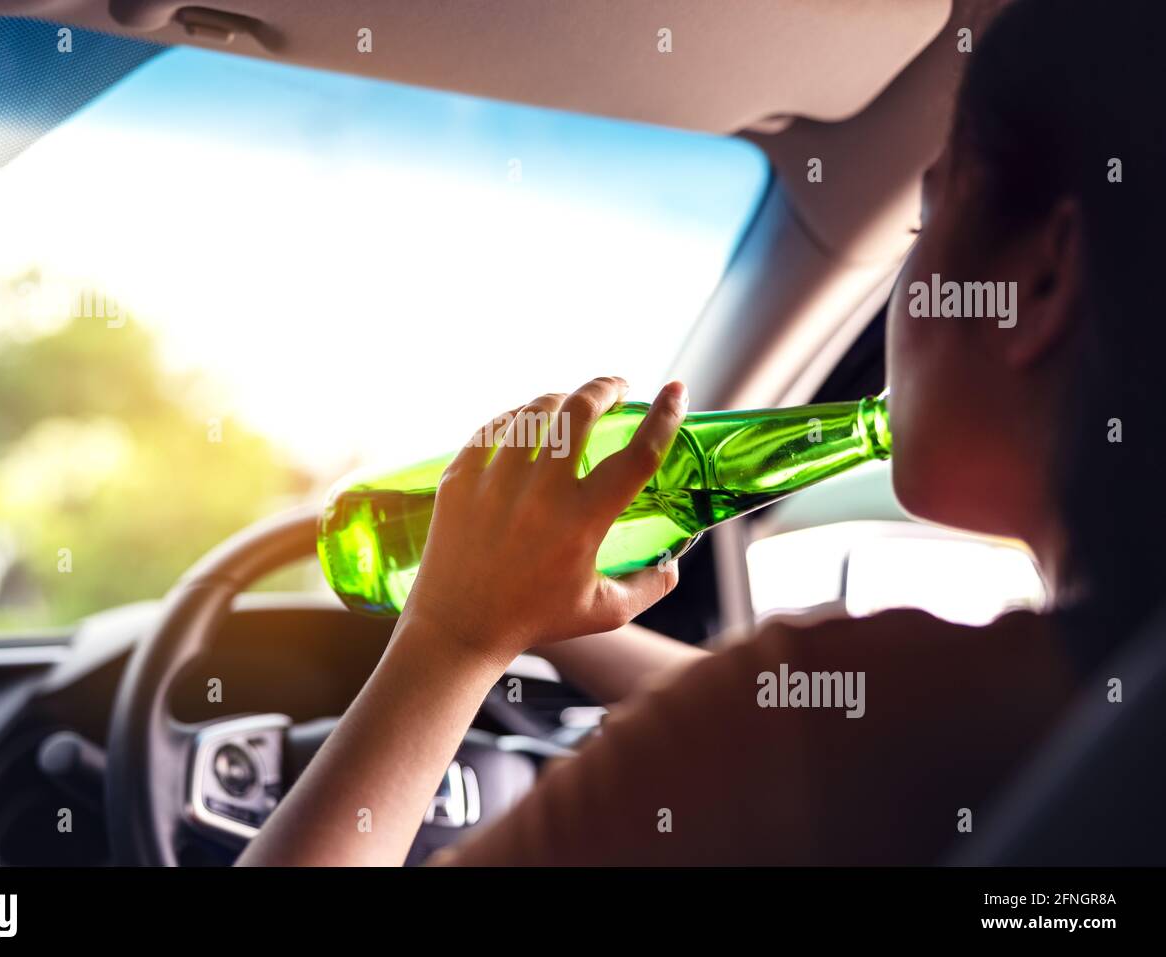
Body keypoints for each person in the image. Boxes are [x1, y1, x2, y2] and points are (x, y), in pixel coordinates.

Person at [238, 0, 1166, 866]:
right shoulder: (1058, 707)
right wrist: (527, 613)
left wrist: (447, 640)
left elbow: (772, 724)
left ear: (1041, 283)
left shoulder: (818, 730)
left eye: (926, 218)